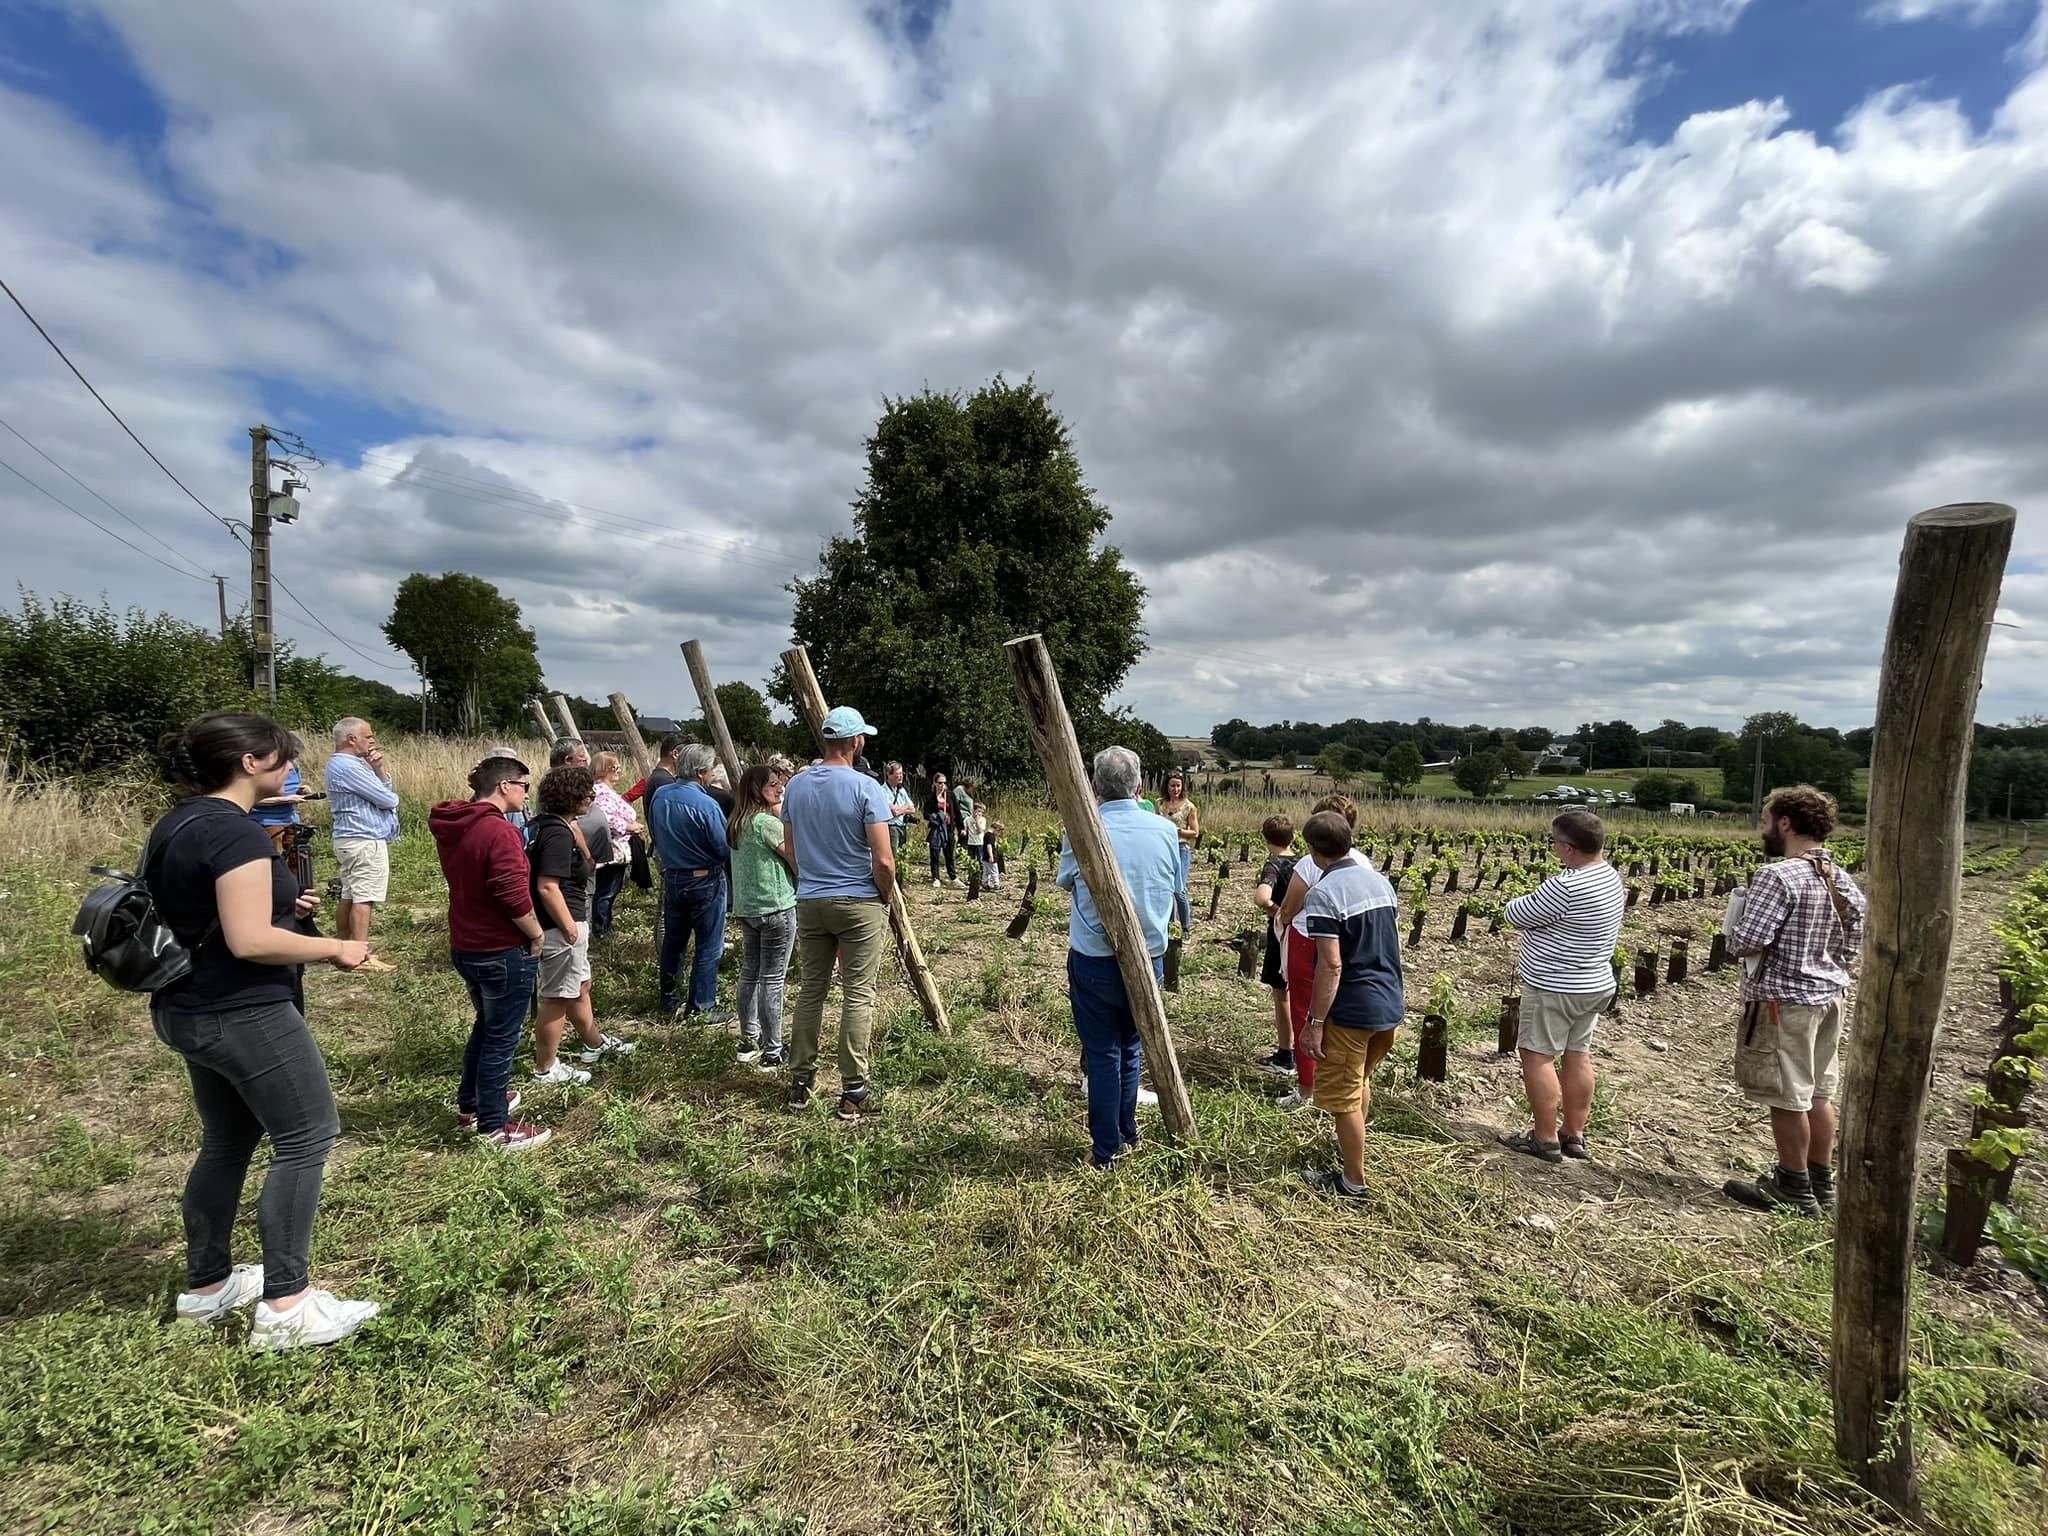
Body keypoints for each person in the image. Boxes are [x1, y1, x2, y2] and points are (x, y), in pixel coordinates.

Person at [147, 712, 376, 1350]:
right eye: (284, 759)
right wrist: (336, 947)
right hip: (243, 1009)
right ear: (251, 763)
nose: (293, 770)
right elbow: (249, 941)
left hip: (188, 1004)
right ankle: (287, 1305)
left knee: (228, 1139)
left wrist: (284, 904)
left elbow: (209, 910)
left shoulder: (179, 822)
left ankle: (209, 1284)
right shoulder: (236, 833)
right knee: (308, 1135)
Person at [1722, 784, 1867, 1217]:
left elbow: (1748, 940)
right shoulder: (1842, 879)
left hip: (1783, 1002)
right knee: (1819, 1092)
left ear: (1785, 823)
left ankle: (1793, 1185)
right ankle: (1821, 1182)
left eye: (1766, 820)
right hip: (1829, 997)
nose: (1763, 828)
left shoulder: (1778, 876)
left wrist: (1733, 928)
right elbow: (1852, 946)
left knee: (1787, 1095)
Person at [1058, 745, 1180, 1168]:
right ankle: (1127, 1134)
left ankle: (1105, 1150)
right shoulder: (1165, 830)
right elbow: (1175, 885)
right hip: (1150, 956)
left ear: (1094, 786)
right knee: (1131, 1046)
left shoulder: (1081, 829)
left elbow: (1066, 881)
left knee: (1102, 1053)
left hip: (1095, 959)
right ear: (1140, 785)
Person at [430, 751, 553, 1151]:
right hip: (501, 948)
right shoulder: (499, 832)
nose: (526, 794)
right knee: (502, 1038)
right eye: (524, 786)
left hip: (467, 943)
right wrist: (536, 933)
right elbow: (510, 893)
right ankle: (494, 1126)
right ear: (505, 786)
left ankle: (472, 1104)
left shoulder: (457, 824)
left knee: (486, 1027)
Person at [780, 705, 897, 1118]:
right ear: (855, 742)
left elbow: (790, 848)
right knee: (858, 993)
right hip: (858, 900)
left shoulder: (796, 785)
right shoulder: (866, 787)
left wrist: (810, 880)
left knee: (811, 990)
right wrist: (885, 896)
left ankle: (800, 1081)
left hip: (811, 900)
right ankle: (854, 1090)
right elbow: (883, 860)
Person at [1497, 810, 1627, 1163]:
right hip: (1593, 983)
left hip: (1555, 986)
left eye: (1554, 842)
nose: (1553, 847)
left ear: (1569, 848)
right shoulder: (1610, 877)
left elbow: (1515, 914)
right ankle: (1573, 1134)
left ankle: (1545, 1138)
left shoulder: (1566, 886)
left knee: (1537, 1056)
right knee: (1578, 1054)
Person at [1293, 812, 1406, 1198]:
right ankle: (1350, 1152)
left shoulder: (1323, 894)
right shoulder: (1380, 882)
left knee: (1343, 1100)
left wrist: (1314, 1022)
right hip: (1388, 1002)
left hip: (1351, 1009)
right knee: (1359, 1083)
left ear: (1312, 850)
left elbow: (1331, 964)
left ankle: (1352, 1181)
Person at [529, 763, 634, 1081]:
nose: (592, 797)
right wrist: (569, 927)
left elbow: (587, 867)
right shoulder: (556, 834)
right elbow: (547, 886)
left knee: (579, 986)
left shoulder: (556, 827)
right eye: (587, 793)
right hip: (561, 925)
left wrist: (579, 838)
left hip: (570, 920)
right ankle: (545, 1068)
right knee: (558, 996)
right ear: (570, 795)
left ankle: (594, 1044)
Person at [1274, 793, 1361, 1111]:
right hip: (1350, 943)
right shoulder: (1362, 862)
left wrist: (1282, 920)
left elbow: (1289, 908)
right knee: (1340, 1017)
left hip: (1311, 943)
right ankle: (1342, 1085)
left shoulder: (1310, 863)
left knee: (1305, 1013)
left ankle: (1307, 1089)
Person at [649, 744, 732, 1021]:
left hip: (674, 875)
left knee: (674, 942)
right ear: (701, 772)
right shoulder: (706, 804)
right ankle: (702, 1006)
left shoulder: (660, 795)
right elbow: (722, 846)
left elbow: (655, 831)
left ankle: (669, 998)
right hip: (705, 878)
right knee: (708, 945)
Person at [729, 764, 797, 1069]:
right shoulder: (766, 823)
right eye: (772, 784)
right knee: (772, 979)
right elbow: (793, 856)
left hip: (748, 908)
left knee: (750, 973)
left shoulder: (737, 822)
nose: (780, 789)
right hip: (775, 906)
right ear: (757, 790)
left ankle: (749, 1039)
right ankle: (773, 1050)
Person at [323, 717, 400, 950]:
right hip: (364, 839)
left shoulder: (345, 765)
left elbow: (382, 792)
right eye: (368, 736)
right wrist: (385, 788)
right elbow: (388, 799)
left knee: (349, 894)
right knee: (364, 898)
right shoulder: (349, 767)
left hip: (352, 838)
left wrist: (378, 769)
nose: (372, 740)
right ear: (351, 739)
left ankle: (343, 946)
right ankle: (360, 954)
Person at [1252, 814, 1298, 1077]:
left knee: (1282, 994)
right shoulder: (1305, 863)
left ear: (1266, 839)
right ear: (1294, 837)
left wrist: (1279, 913)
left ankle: (1285, 1054)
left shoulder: (1274, 865)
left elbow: (1262, 897)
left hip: (1281, 937)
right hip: (1306, 935)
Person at [588, 752, 639, 941]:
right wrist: (628, 826)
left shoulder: (606, 791)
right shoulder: (601, 793)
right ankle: (601, 929)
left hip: (617, 849)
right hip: (611, 850)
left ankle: (605, 925)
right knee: (606, 891)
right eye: (614, 767)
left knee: (610, 889)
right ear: (603, 769)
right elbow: (605, 819)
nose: (618, 770)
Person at [1157, 771, 1200, 930]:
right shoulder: (1160, 804)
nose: (1175, 789)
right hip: (1164, 848)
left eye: (1178, 786)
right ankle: (1169, 926)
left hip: (1181, 848)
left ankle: (1186, 927)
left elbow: (1195, 832)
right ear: (1167, 787)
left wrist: (1177, 831)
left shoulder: (1189, 807)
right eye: (1172, 786)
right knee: (1166, 887)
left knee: (1179, 889)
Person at [625, 732, 690, 807]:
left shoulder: (657, 777)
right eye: (687, 755)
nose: (689, 761)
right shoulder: (664, 782)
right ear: (675, 754)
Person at [922, 771, 961, 887]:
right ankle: (936, 877)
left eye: (944, 783)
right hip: (937, 828)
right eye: (939, 783)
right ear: (935, 783)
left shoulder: (950, 795)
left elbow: (957, 812)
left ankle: (953, 877)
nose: (942, 785)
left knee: (949, 852)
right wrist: (933, 817)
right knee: (935, 853)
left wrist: (961, 828)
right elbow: (925, 813)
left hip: (948, 828)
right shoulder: (931, 797)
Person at [883, 762, 919, 861]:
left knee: (903, 855)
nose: (901, 776)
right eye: (898, 774)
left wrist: (900, 809)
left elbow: (913, 809)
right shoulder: (883, 791)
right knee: (893, 855)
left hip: (903, 826)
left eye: (901, 773)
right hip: (892, 827)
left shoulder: (902, 790)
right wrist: (905, 808)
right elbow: (894, 813)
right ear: (889, 775)